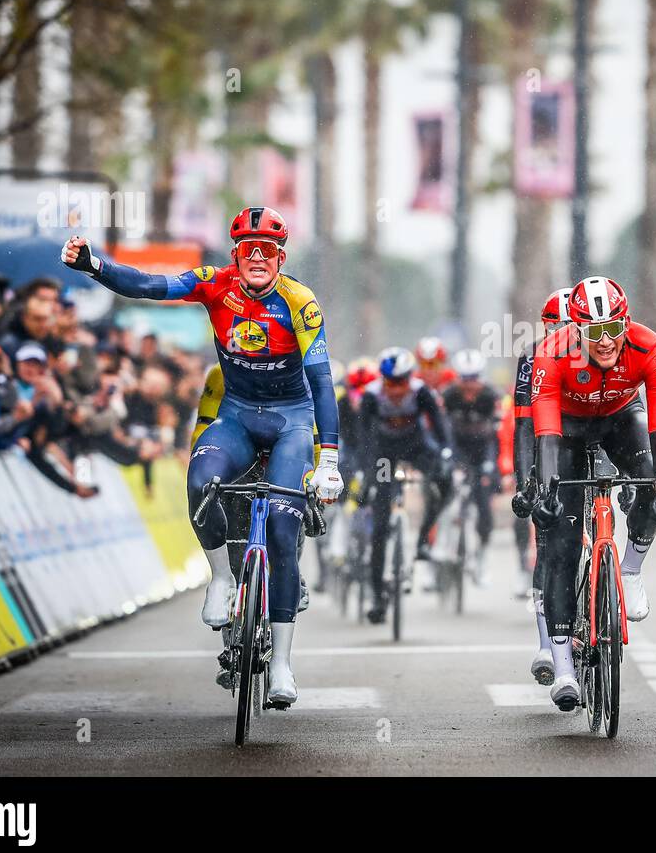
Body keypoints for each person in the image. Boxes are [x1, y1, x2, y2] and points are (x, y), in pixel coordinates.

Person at [62, 205, 342, 705]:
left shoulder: (300, 301)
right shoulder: (215, 284)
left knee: (282, 529)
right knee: (200, 482)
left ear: (281, 257)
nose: (258, 258)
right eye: (248, 250)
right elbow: (150, 286)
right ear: (235, 255)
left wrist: (329, 460)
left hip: (290, 420)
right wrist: (94, 266)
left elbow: (322, 382)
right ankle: (222, 577)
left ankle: (280, 665)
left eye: (269, 251)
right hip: (236, 415)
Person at [529, 276, 656, 709]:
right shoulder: (551, 352)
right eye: (595, 332)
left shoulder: (651, 349)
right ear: (576, 330)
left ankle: (630, 570)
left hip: (620, 417)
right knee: (560, 546)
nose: (607, 340)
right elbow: (546, 433)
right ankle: (562, 667)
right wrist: (548, 488)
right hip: (568, 429)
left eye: (614, 328)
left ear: (626, 322)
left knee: (653, 482)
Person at [355, 346, 454, 624]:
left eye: (402, 382)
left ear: (410, 378)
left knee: (444, 483)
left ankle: (423, 540)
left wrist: (446, 452)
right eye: (391, 383)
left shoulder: (421, 391)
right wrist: (365, 472)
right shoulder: (372, 396)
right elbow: (362, 436)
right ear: (383, 380)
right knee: (381, 522)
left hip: (416, 448)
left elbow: (440, 425)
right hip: (385, 455)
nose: (397, 390)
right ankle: (377, 597)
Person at [510, 287, 571, 685]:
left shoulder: (603, 349)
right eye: (557, 325)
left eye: (572, 325)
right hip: (547, 447)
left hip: (588, 442)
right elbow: (523, 424)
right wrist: (524, 483)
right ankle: (547, 642)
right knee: (548, 548)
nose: (565, 332)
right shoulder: (532, 356)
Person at [441, 349, 500, 584]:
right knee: (443, 494)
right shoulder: (449, 396)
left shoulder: (489, 396)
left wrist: (490, 464)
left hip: (482, 450)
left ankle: (482, 556)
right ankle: (443, 545)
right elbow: (442, 430)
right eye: (465, 379)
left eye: (474, 378)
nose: (469, 385)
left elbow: (495, 436)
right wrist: (448, 458)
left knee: (484, 507)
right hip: (457, 448)